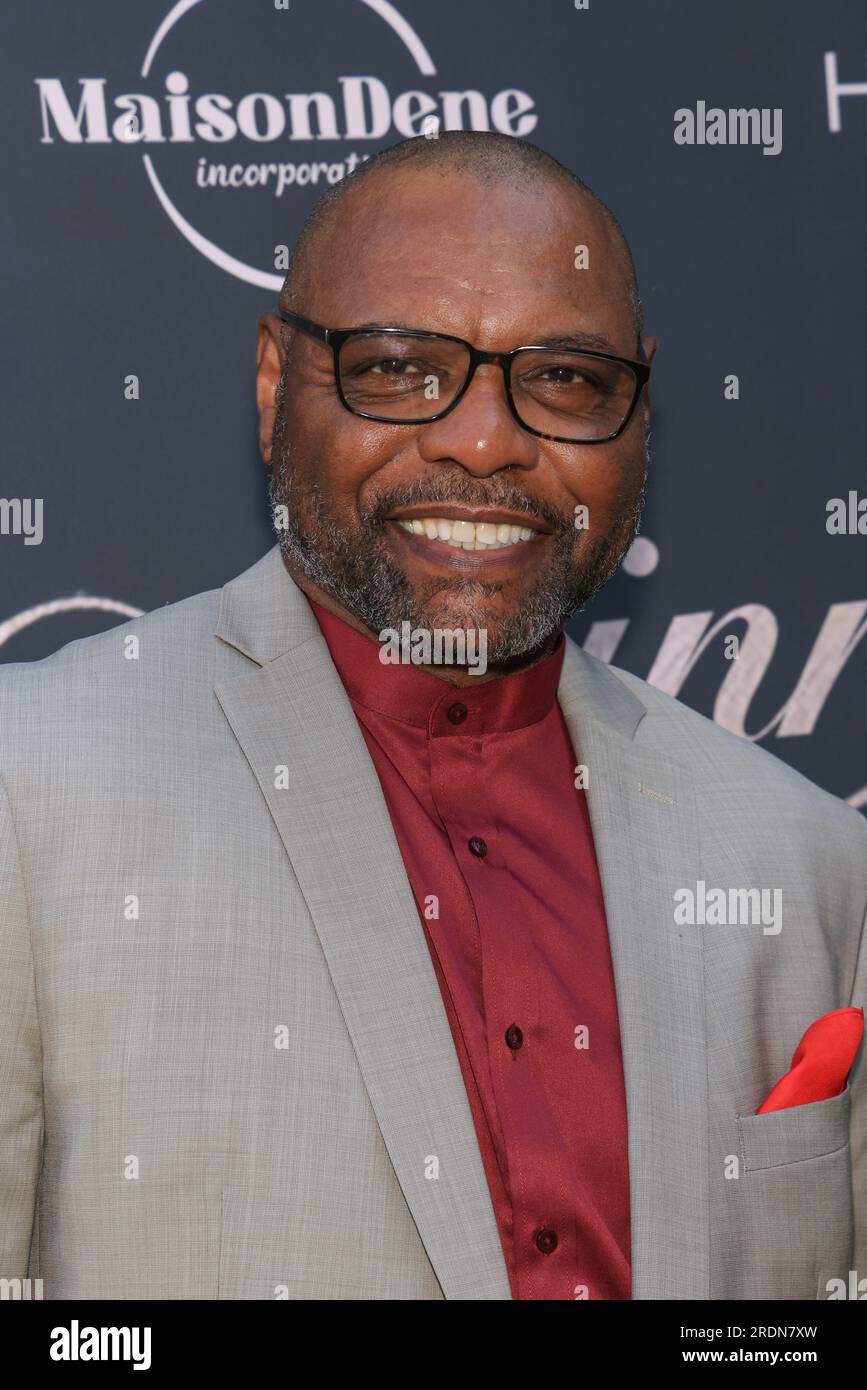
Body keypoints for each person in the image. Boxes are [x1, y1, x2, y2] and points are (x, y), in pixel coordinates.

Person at [0, 131, 864, 1301]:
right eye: (400, 367)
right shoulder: (32, 786)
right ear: (273, 386)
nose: (483, 438)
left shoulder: (808, 861)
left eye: (564, 378)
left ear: (640, 412)